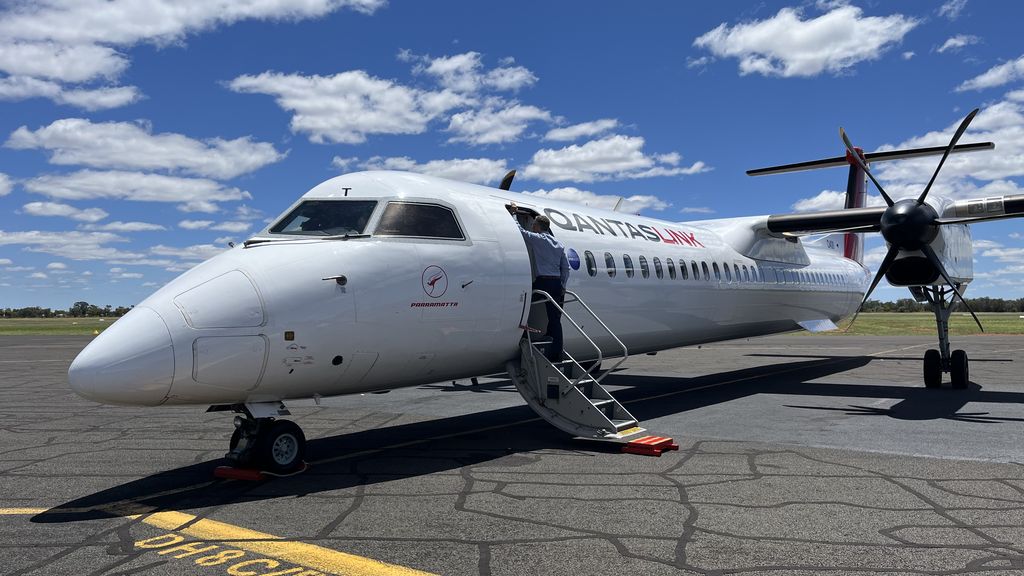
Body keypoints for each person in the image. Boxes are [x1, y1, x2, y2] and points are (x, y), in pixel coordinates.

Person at [507, 203, 570, 362]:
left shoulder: (538, 239)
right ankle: (557, 353)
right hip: (556, 283)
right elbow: (566, 268)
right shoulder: (559, 244)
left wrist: (514, 214)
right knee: (555, 319)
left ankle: (520, 334)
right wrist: (562, 285)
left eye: (534, 224)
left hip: (543, 282)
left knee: (521, 304)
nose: (533, 227)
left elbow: (520, 232)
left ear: (538, 226)